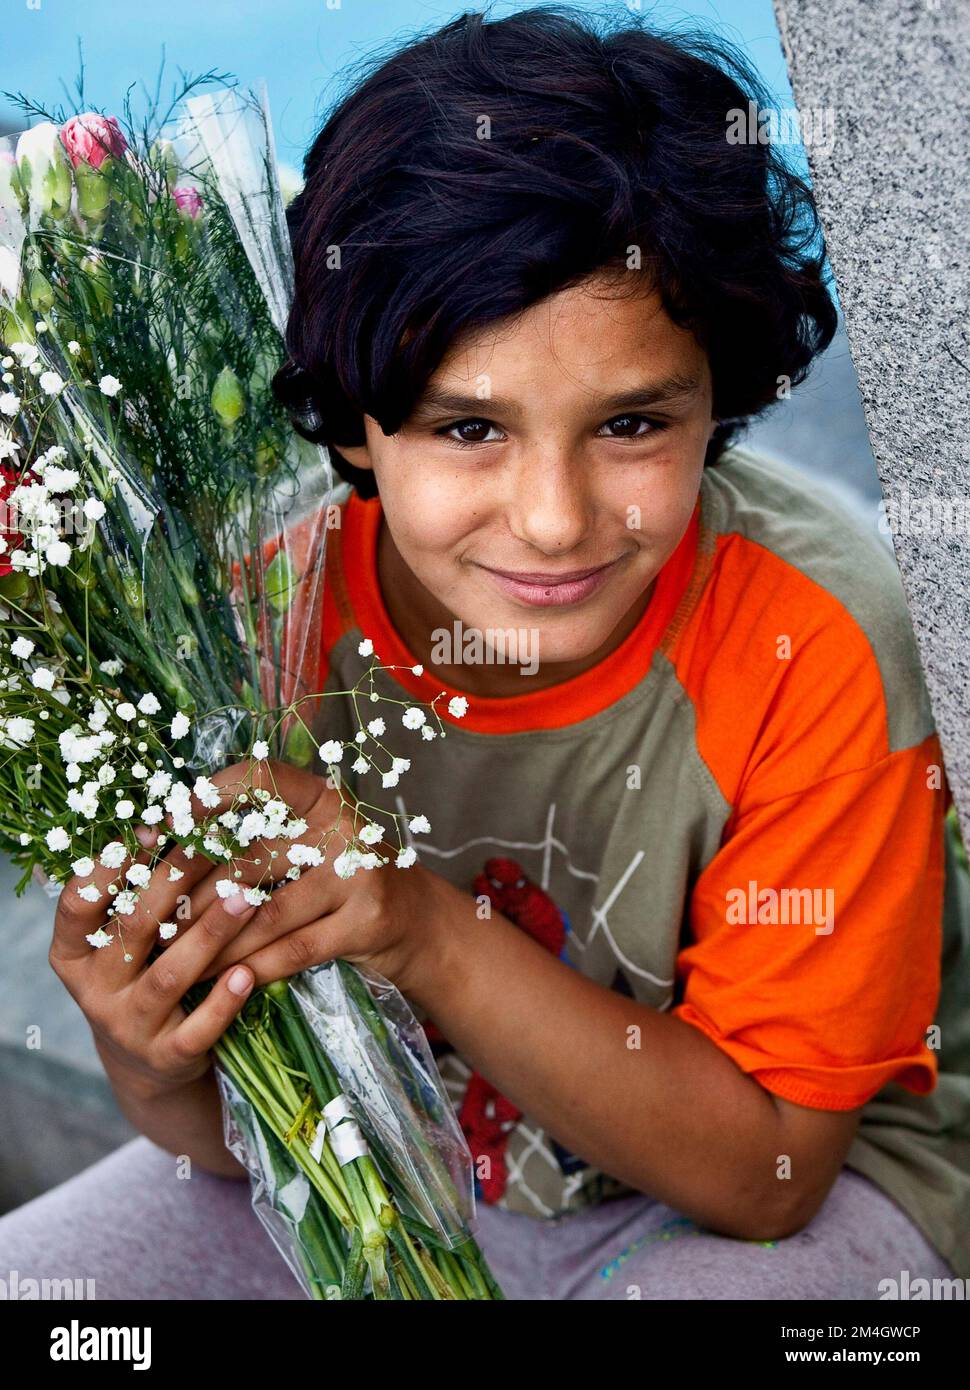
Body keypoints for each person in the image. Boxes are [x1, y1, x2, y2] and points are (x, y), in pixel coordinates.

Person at [2, 6, 968, 1300]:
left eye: (629, 422)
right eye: (468, 429)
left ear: (719, 396)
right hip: (409, 1159)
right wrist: (150, 1045)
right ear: (351, 422)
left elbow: (766, 1178)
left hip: (781, 1190)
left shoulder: (817, 637)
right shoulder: (239, 621)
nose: (556, 516)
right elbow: (225, 1149)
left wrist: (417, 928)